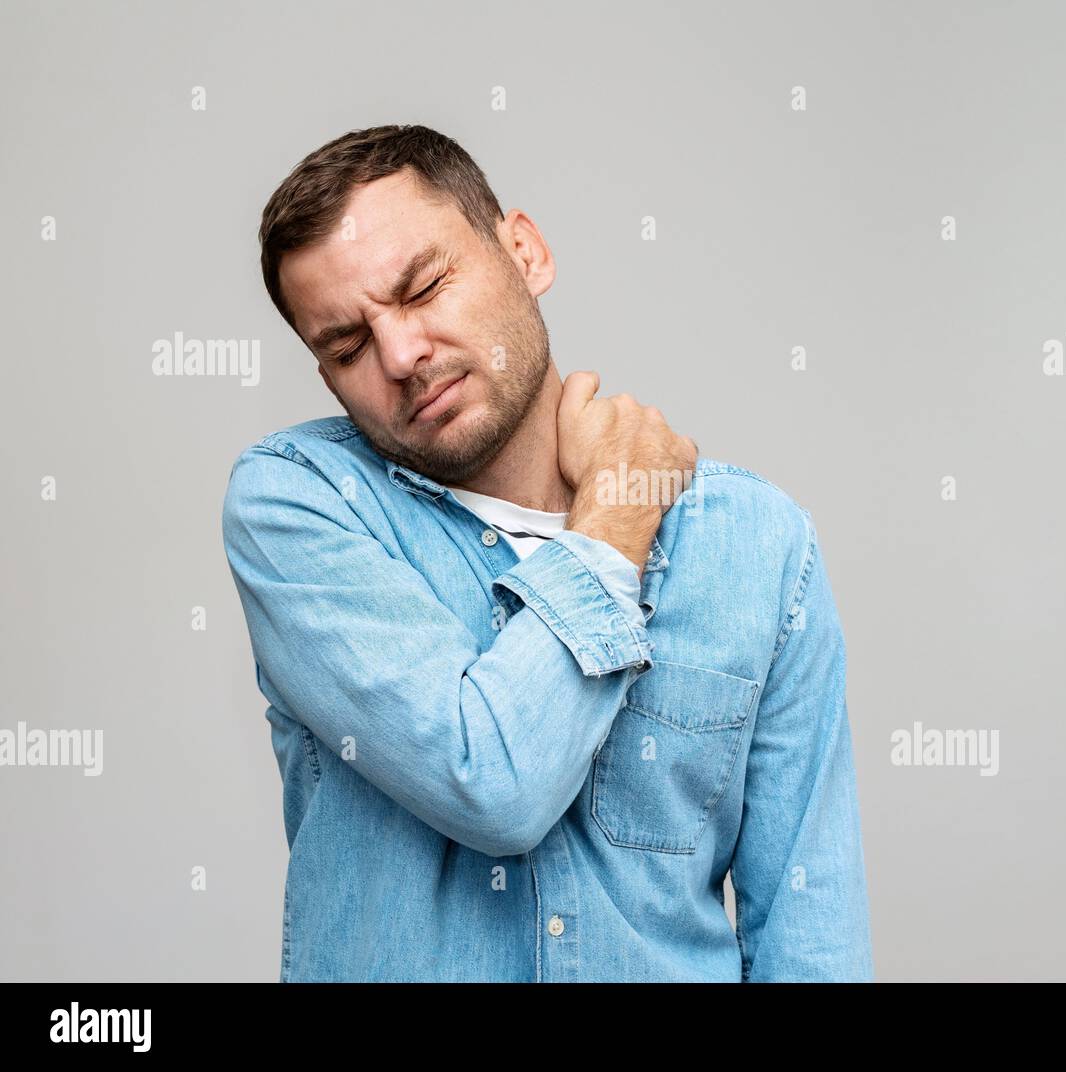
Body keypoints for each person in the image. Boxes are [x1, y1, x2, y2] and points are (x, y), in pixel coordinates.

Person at [222, 124, 873, 982]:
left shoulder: (756, 541)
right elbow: (492, 783)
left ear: (524, 252)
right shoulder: (299, 506)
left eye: (423, 287)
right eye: (346, 347)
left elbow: (809, 933)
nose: (402, 355)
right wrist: (612, 524)